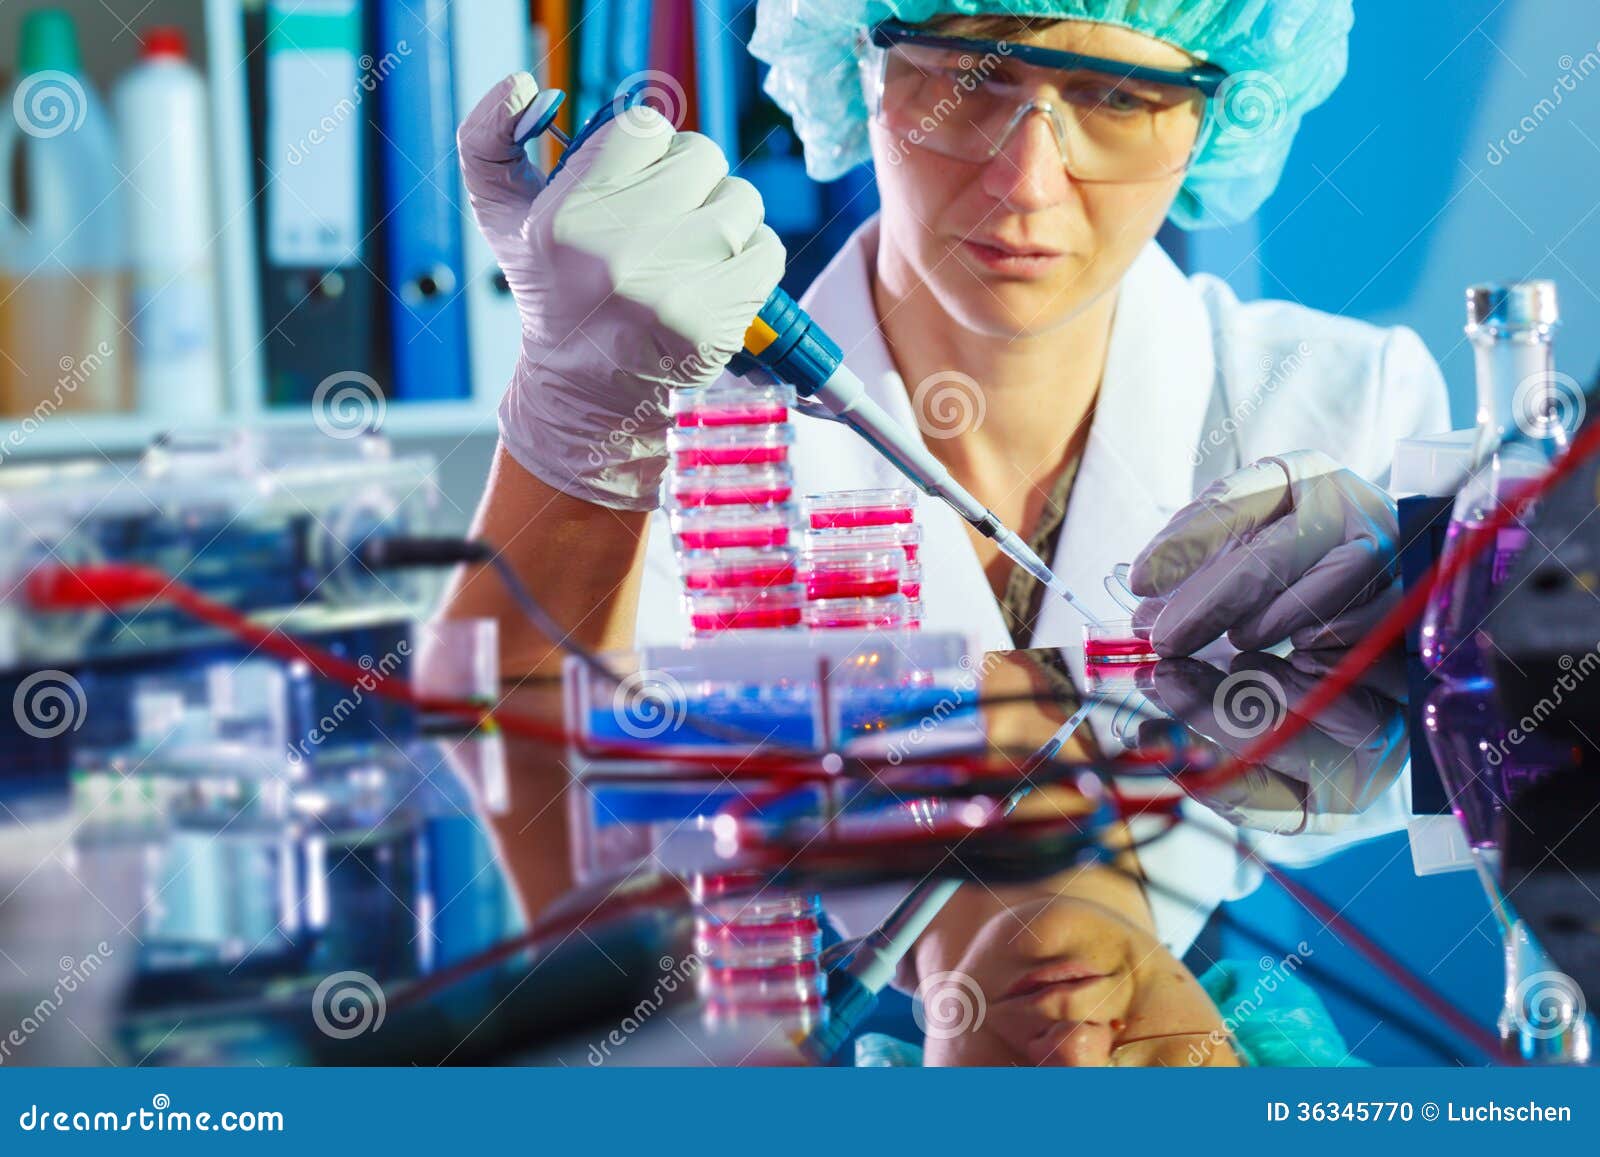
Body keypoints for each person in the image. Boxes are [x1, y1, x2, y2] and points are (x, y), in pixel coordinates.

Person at [443, 0, 1448, 670]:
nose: (1027, 181)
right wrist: (575, 439)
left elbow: (1526, 805)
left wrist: (1434, 628)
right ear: (856, 61)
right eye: (972, 76)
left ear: (1217, 117)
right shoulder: (673, 452)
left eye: (1116, 98)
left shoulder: (1350, 405)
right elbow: (520, 797)